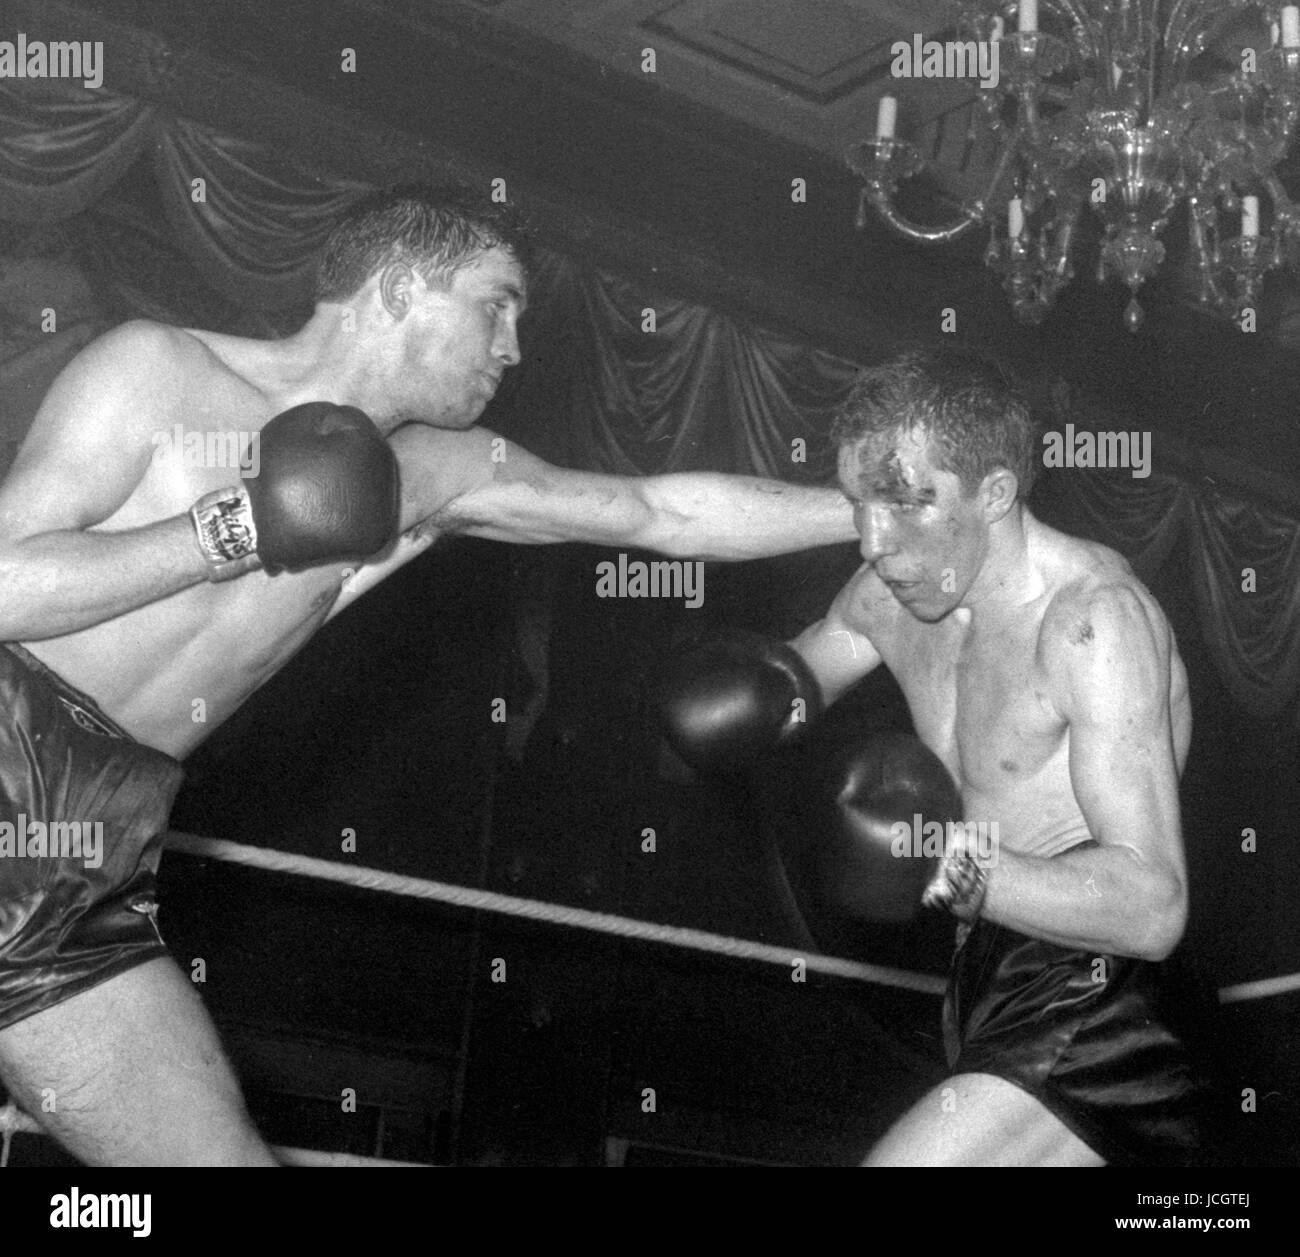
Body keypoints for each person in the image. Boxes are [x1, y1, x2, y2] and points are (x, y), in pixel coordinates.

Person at [0, 184, 857, 1166]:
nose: (513, 348)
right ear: (403, 288)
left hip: (104, 835)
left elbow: (656, 516)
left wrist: (870, 515)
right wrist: (237, 527)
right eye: (497, 304)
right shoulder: (160, 370)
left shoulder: (437, 470)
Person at [660, 346, 1204, 1166]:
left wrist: (940, 861)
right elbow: (785, 686)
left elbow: (1154, 907)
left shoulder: (1092, 623)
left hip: (1100, 989)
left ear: (994, 492)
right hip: (980, 979)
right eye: (858, 505)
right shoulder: (889, 596)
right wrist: (738, 700)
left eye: (908, 504)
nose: (876, 543)